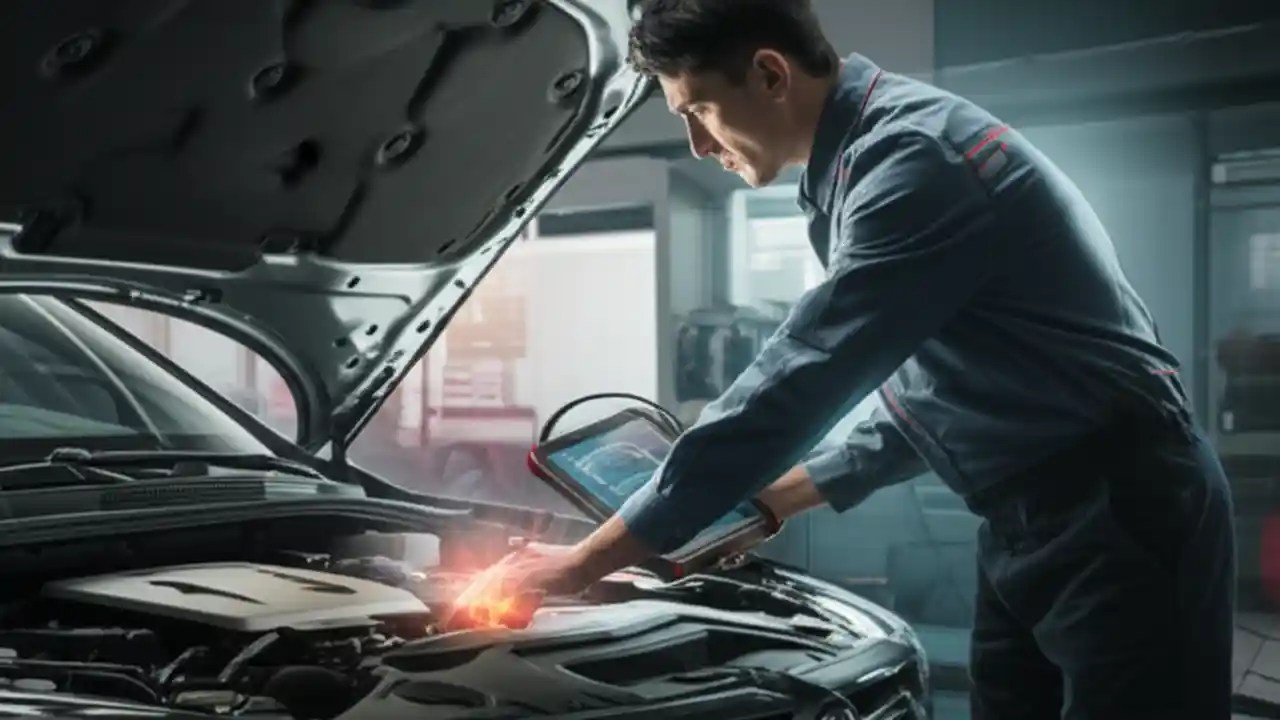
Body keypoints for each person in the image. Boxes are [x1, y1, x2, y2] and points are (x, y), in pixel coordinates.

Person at [461, 1, 1237, 717]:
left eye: (697, 109)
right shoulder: (864, 164)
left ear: (770, 73)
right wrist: (768, 505)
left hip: (1120, 510)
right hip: (1033, 516)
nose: (696, 144)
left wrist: (577, 565)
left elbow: (798, 383)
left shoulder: (915, 162)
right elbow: (929, 406)